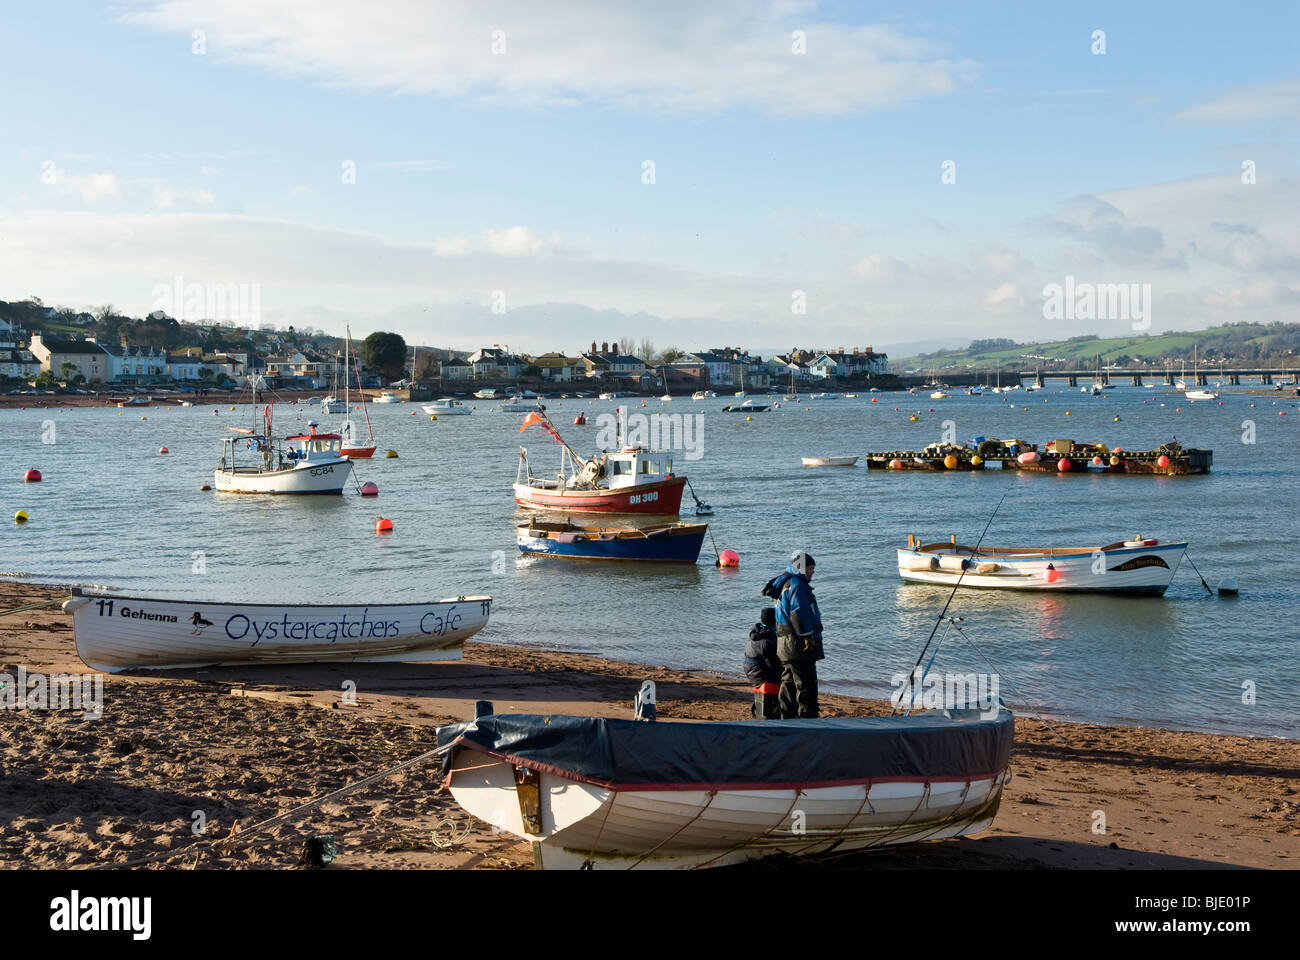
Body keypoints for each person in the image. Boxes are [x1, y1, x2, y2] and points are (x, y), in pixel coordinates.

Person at [762, 550, 823, 719]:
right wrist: (807, 637)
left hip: (785, 644)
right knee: (807, 685)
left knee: (789, 683)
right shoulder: (797, 585)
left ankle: (786, 718)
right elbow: (798, 612)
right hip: (796, 645)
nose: (813, 571)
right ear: (802, 568)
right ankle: (808, 719)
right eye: (811, 568)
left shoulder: (787, 583)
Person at [742, 608, 781, 719]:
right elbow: (773, 664)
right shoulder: (769, 640)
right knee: (787, 680)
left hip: (750, 670)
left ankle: (764, 706)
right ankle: (775, 709)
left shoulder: (756, 633)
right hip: (759, 674)